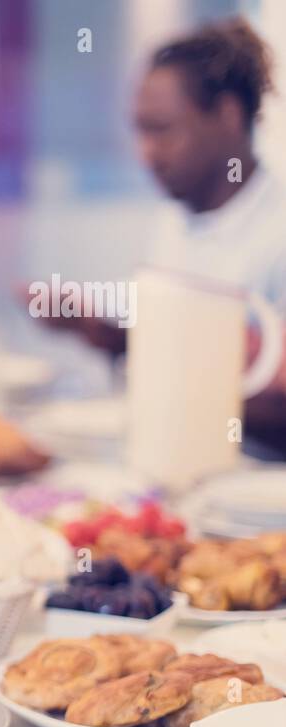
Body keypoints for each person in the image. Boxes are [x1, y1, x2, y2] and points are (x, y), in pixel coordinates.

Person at [48, 17, 286, 450]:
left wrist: (138, 346)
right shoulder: (174, 219)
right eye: (139, 130)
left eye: (161, 130)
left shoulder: (277, 232)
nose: (146, 154)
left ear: (229, 116)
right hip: (178, 460)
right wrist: (110, 336)